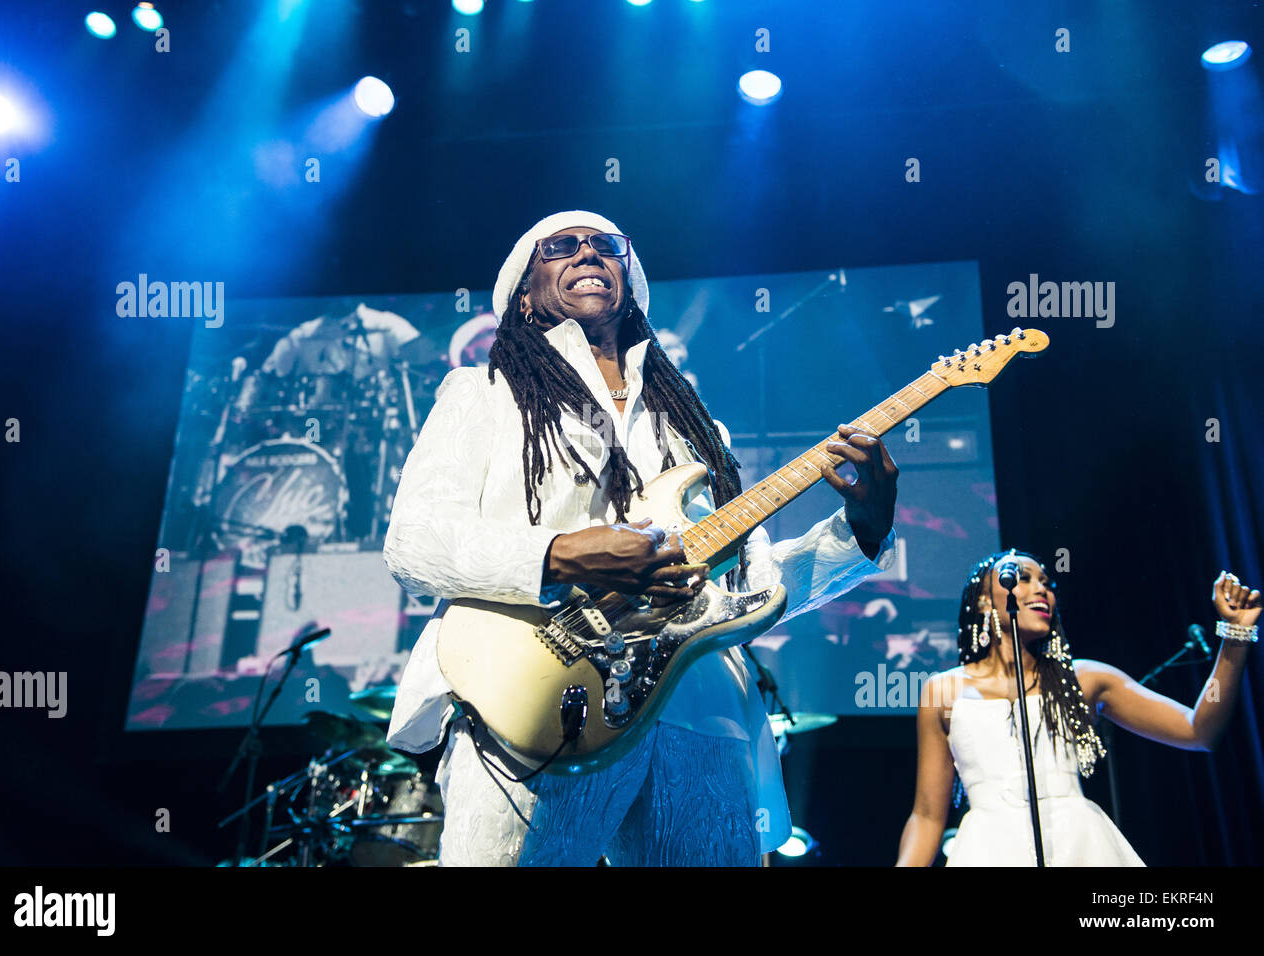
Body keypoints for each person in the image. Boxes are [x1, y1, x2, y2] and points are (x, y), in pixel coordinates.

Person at [382, 210, 900, 865]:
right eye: (560, 246)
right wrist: (563, 555)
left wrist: (862, 530)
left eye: (606, 246)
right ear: (523, 292)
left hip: (697, 707)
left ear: (631, 282)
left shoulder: (695, 427)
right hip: (534, 691)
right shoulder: (484, 392)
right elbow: (416, 540)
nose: (588, 253)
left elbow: (750, 592)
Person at [896, 549, 1259, 866]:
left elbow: (1199, 730)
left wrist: (1235, 638)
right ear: (983, 602)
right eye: (1022, 578)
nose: (1041, 589)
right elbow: (927, 816)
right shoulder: (942, 691)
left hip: (1080, 845)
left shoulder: (1084, 679)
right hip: (988, 849)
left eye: (1046, 582)